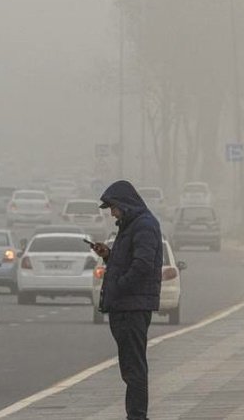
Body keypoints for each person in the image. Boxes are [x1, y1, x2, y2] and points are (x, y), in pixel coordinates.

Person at [89, 180, 162, 420]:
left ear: (125, 203)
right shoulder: (132, 226)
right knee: (130, 368)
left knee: (134, 369)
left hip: (132, 307)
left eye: (113, 207)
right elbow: (127, 260)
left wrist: (119, 287)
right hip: (126, 306)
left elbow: (142, 264)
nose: (111, 212)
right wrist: (108, 255)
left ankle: (137, 416)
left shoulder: (143, 226)